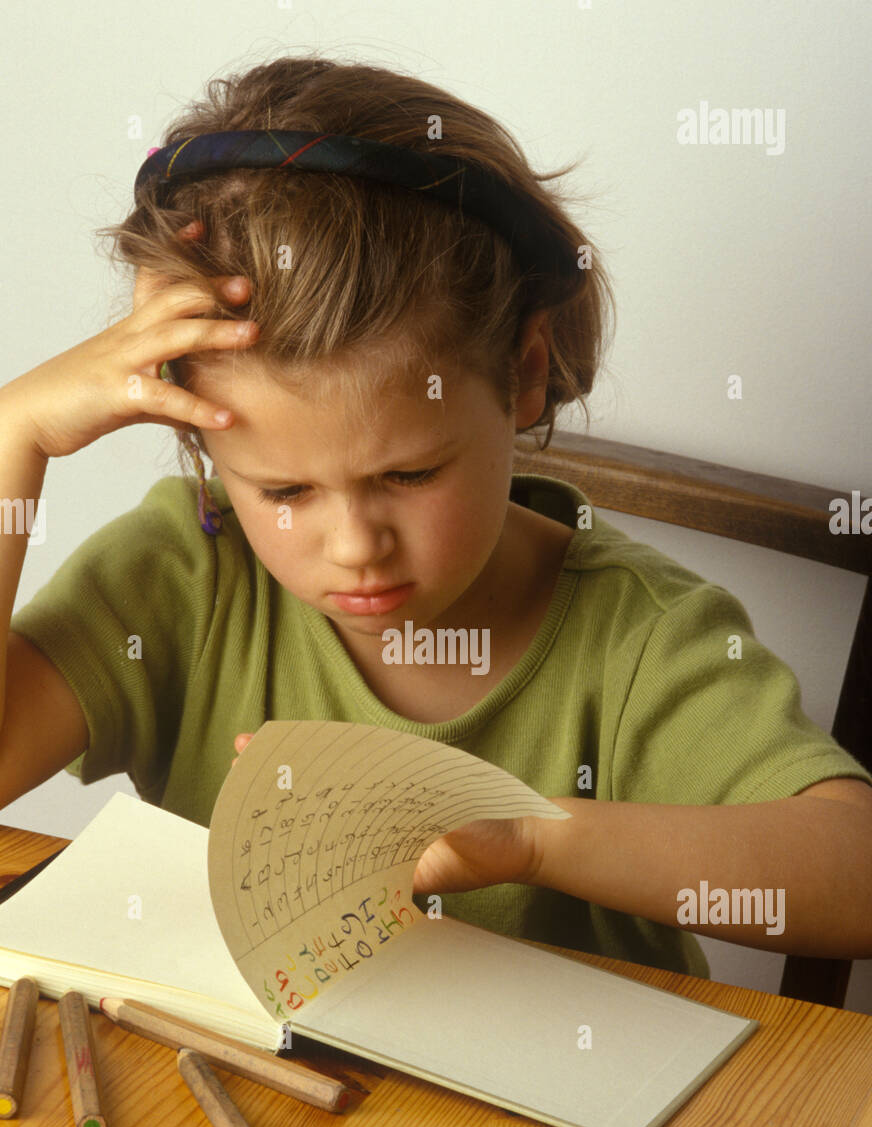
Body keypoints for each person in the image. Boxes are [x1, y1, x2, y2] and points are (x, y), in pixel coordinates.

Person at [1, 55, 870, 981]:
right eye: (285, 492)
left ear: (525, 371)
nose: (355, 547)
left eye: (409, 473)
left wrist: (530, 837)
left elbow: (851, 874)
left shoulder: (639, 637)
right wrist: (14, 438)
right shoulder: (187, 571)